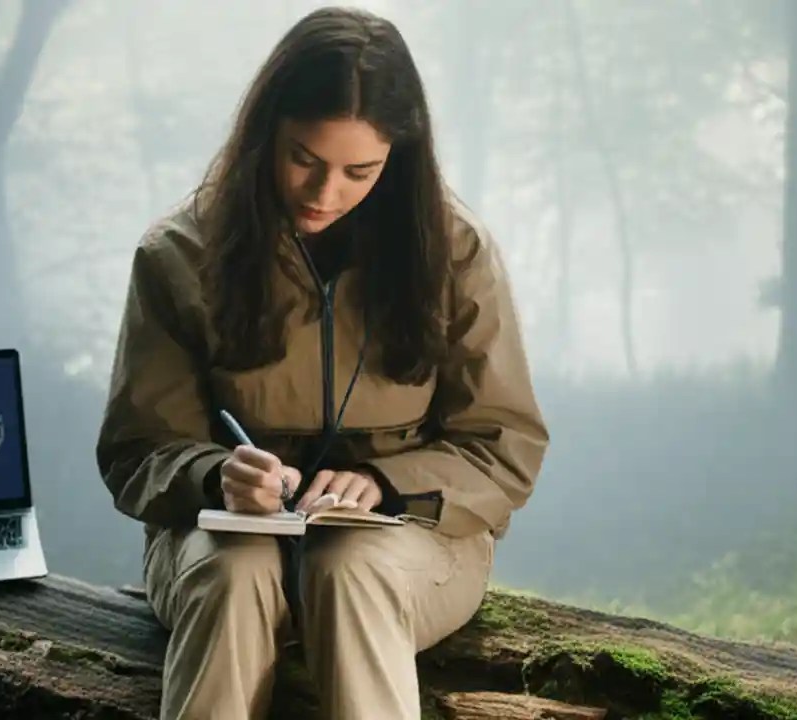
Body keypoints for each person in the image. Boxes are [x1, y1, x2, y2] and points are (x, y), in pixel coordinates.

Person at [95, 6, 548, 719]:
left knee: (351, 566)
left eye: (358, 171)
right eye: (303, 158)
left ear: (399, 156)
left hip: (407, 542)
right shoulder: (178, 254)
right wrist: (216, 476)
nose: (323, 192)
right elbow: (137, 449)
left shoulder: (453, 253)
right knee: (235, 572)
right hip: (219, 540)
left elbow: (504, 446)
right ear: (264, 132)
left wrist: (384, 484)